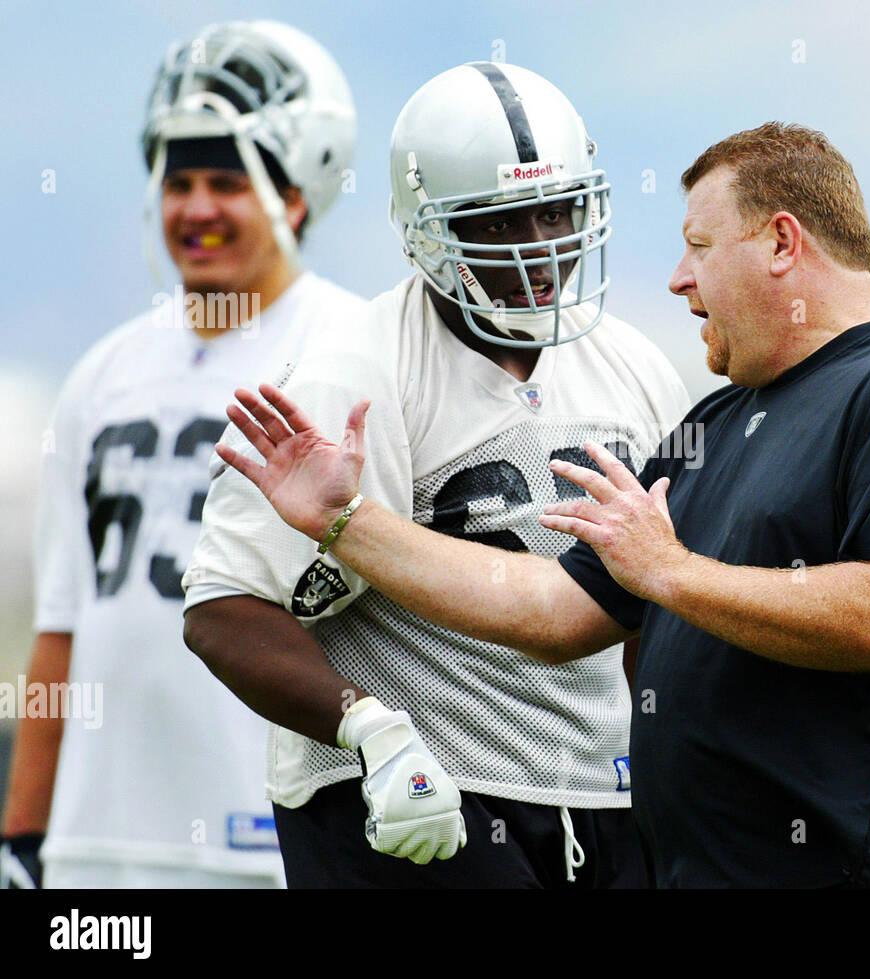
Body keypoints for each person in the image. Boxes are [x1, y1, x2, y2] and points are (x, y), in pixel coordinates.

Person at [195, 122, 870, 888]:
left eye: (698, 246)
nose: (677, 278)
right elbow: (558, 610)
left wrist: (673, 573)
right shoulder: (720, 418)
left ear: (782, 243)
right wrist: (347, 521)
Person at [182, 62, 692, 888]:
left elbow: (649, 610)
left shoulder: (633, 365)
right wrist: (369, 728)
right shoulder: (356, 368)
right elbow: (221, 606)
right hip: (416, 794)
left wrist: (667, 760)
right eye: (502, 222)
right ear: (428, 228)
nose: (541, 245)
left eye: (556, 211)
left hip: (599, 792)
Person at [0, 20, 362, 888]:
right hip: (100, 844)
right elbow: (63, 627)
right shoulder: (104, 372)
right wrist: (24, 833)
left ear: (298, 195)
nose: (196, 209)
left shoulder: (350, 349)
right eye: (180, 180)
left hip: (273, 837)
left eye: (228, 182)